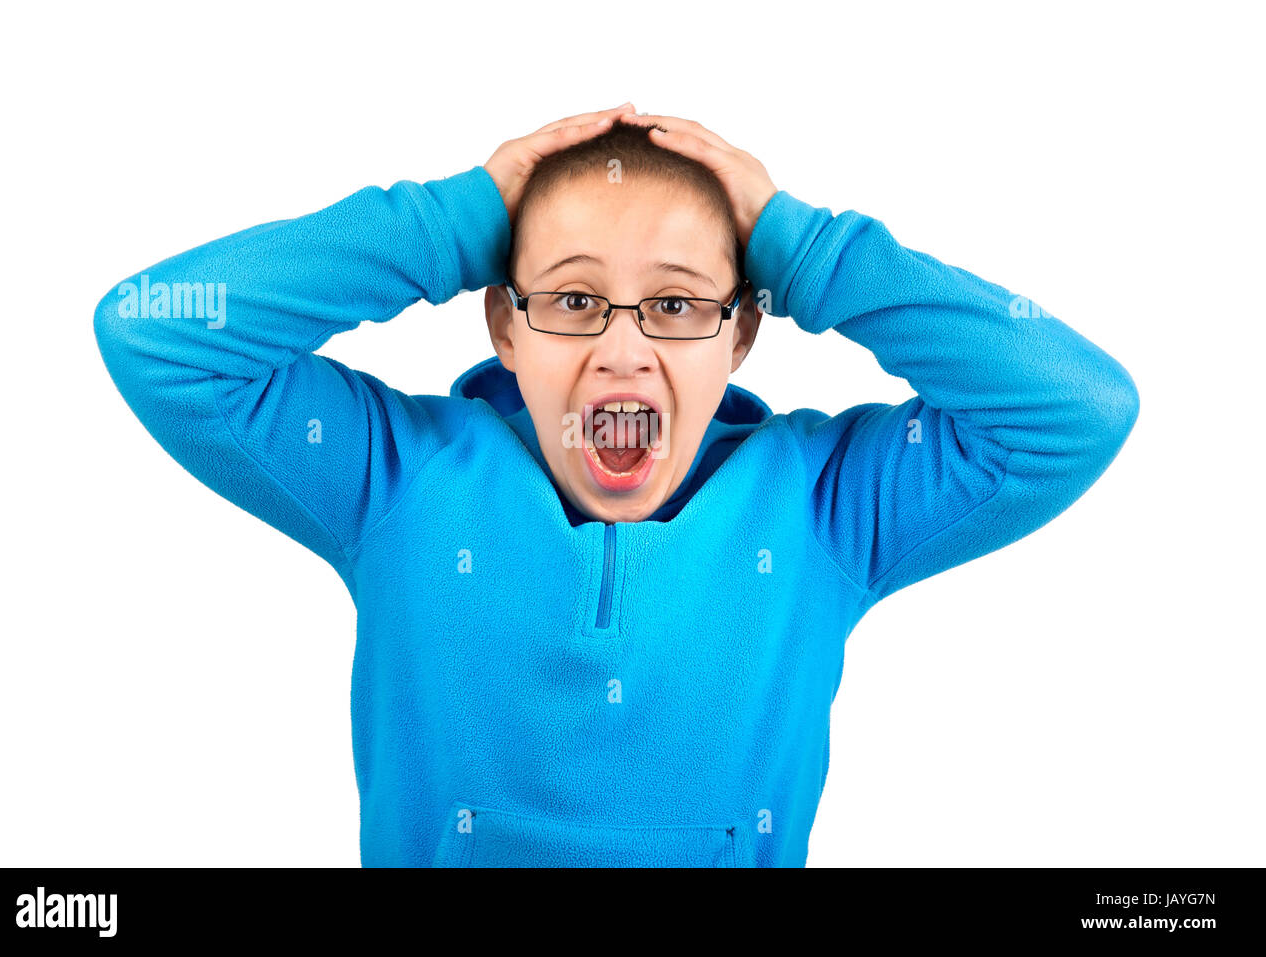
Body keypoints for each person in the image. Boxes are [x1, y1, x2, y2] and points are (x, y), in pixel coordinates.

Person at [92, 103, 1140, 867]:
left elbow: (1073, 409)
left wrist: (805, 248)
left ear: (740, 332)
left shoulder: (824, 512)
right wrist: (450, 224)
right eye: (576, 299)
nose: (626, 350)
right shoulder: (395, 484)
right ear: (503, 325)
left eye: (678, 306)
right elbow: (158, 331)